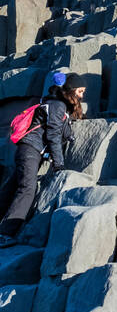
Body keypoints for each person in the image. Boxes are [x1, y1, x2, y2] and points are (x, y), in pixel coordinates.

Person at [0, 73, 85, 238]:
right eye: (80, 91)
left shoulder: (57, 105)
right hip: (31, 150)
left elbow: (61, 129)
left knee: (13, 185)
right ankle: (5, 233)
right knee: (28, 189)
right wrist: (59, 164)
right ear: (71, 90)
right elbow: (53, 135)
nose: (82, 95)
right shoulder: (57, 105)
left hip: (30, 150)